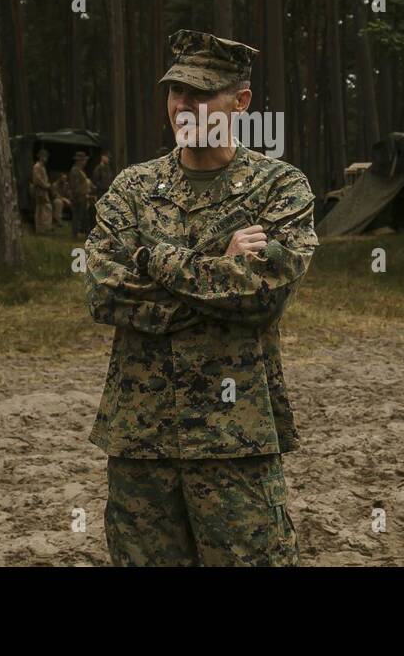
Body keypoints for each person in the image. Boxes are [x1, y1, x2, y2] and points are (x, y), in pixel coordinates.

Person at [84, 29, 317, 566]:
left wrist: (150, 257)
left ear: (240, 103)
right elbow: (103, 293)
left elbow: (260, 294)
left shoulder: (279, 188)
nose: (184, 105)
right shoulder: (133, 188)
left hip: (234, 440)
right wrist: (219, 265)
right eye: (176, 91)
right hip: (142, 438)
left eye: (201, 92)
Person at [69, 151, 93, 238]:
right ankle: (75, 233)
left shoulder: (80, 171)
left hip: (82, 197)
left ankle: (83, 233)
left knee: (83, 216)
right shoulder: (75, 171)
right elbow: (75, 185)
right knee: (77, 216)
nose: (85, 162)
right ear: (80, 161)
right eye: (84, 160)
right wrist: (81, 193)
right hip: (78, 197)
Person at [30, 148, 53, 234]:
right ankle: (44, 228)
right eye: (44, 156)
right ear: (41, 157)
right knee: (45, 208)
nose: (46, 158)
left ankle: (41, 228)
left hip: (42, 190)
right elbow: (38, 179)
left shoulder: (42, 167)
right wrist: (46, 185)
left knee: (41, 209)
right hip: (40, 190)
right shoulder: (37, 166)